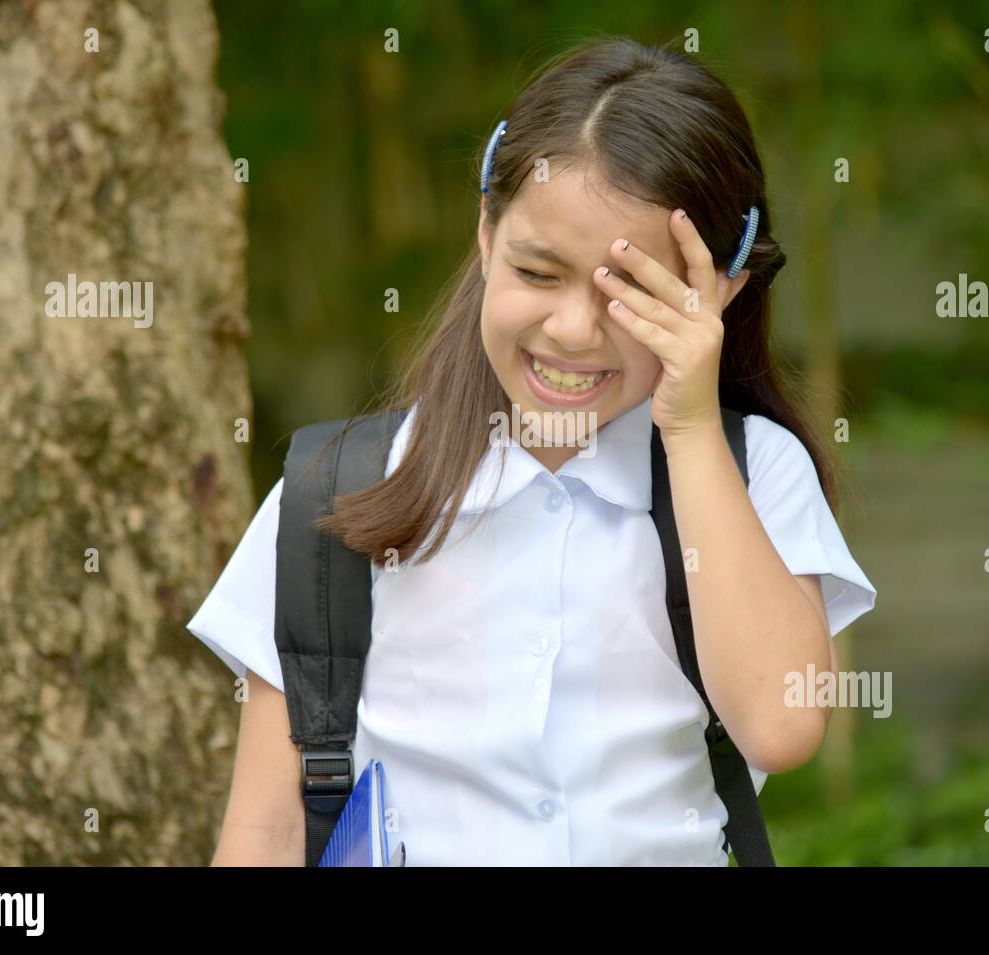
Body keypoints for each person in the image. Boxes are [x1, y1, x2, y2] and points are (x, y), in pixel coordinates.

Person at [187, 35, 877, 866]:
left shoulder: (752, 470)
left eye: (631, 292)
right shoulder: (335, 496)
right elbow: (267, 829)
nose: (574, 331)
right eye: (538, 273)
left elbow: (780, 724)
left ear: (721, 285)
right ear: (485, 232)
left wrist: (691, 428)